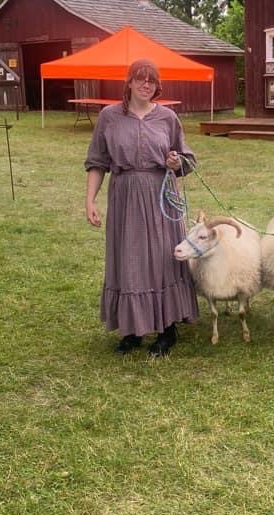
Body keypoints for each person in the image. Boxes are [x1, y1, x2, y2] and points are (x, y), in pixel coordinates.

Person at [85, 58, 199, 356]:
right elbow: (97, 162)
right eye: (140, 79)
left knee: (163, 257)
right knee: (130, 259)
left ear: (157, 86)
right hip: (125, 196)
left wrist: (176, 163)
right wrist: (89, 201)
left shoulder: (168, 118)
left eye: (152, 81)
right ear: (129, 82)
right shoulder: (109, 117)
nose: (146, 85)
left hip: (160, 195)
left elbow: (187, 159)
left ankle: (167, 329)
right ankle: (133, 330)